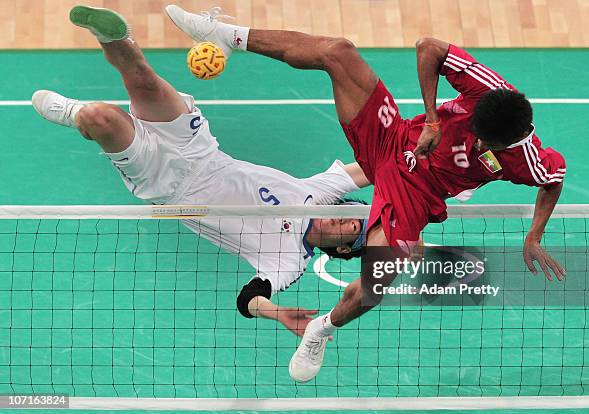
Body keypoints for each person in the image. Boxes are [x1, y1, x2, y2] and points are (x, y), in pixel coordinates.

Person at [164, 5, 567, 382]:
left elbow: (553, 180)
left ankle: (322, 330)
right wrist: (430, 118)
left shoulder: (529, 159)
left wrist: (533, 235)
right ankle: (224, 33)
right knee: (338, 52)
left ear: (508, 143)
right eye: (475, 133)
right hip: (391, 140)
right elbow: (429, 48)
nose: (476, 144)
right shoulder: (489, 88)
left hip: (415, 193)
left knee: (375, 284)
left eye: (485, 145)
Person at [31, 5, 371, 338]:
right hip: (199, 148)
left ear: (341, 249)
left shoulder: (288, 261)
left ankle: (76, 115)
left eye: (348, 225)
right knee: (143, 79)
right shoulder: (319, 198)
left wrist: (277, 313)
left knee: (100, 118)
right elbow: (374, 166)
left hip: (163, 182)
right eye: (345, 210)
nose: (338, 217)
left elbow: (248, 299)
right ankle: (112, 35)